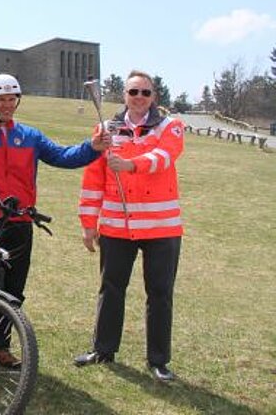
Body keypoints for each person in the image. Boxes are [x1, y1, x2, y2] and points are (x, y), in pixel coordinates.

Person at [0, 73, 109, 367]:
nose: (7, 105)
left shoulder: (31, 136)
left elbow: (64, 156)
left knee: (13, 289)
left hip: (21, 223)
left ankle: (0, 345)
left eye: (12, 99)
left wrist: (92, 147)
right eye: (1, 99)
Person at [74, 70, 185, 382]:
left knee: (160, 294)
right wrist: (88, 223)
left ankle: (158, 360)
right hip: (115, 227)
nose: (139, 98)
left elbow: (165, 156)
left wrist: (132, 164)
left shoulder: (170, 126)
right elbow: (93, 180)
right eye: (133, 92)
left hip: (162, 229)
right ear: (123, 95)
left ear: (154, 97)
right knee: (110, 289)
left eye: (145, 93)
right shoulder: (105, 130)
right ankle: (103, 349)